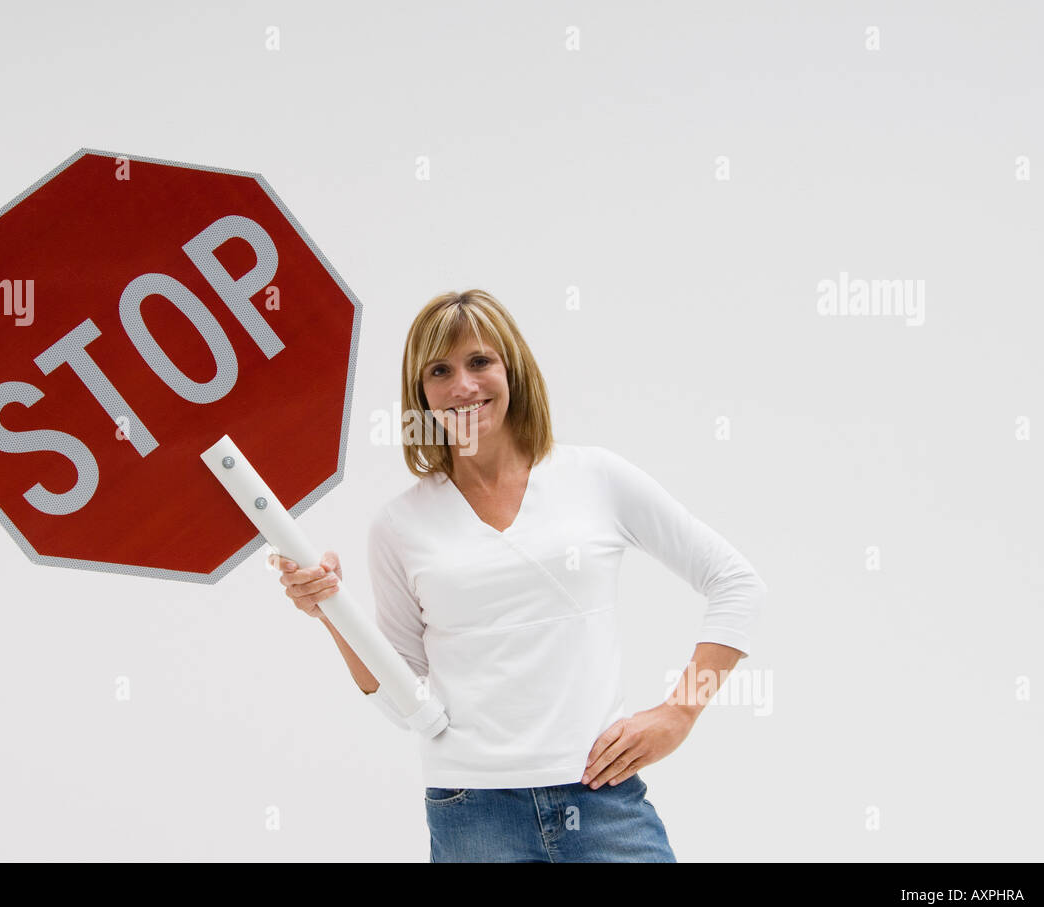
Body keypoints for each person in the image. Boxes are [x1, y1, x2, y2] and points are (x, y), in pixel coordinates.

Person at [268, 289, 767, 862]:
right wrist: (331, 608)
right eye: (440, 370)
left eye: (480, 362)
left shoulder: (595, 479)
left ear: (514, 371)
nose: (463, 386)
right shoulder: (399, 526)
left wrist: (679, 712)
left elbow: (736, 582)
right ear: (421, 394)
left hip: (604, 801)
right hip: (473, 817)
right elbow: (403, 697)